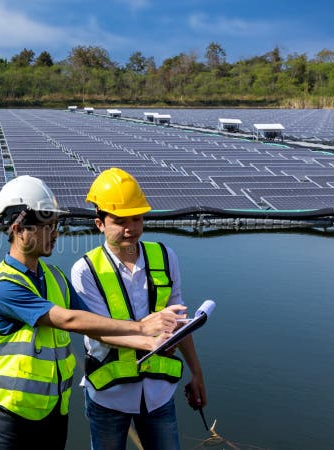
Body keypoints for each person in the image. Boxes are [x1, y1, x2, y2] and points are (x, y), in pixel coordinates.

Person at [0, 175, 186, 450]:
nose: (55, 233)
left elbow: (98, 326)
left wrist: (151, 344)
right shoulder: (4, 287)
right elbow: (70, 320)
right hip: (13, 417)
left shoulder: (54, 277)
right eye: (47, 226)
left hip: (53, 413)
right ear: (19, 229)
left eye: (56, 225)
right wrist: (141, 328)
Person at [70, 167, 207, 450]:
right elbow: (99, 331)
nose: (130, 228)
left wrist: (197, 372)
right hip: (109, 396)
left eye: (137, 218)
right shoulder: (85, 270)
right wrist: (153, 341)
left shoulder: (165, 257)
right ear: (100, 224)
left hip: (158, 393)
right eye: (119, 221)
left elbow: (178, 322)